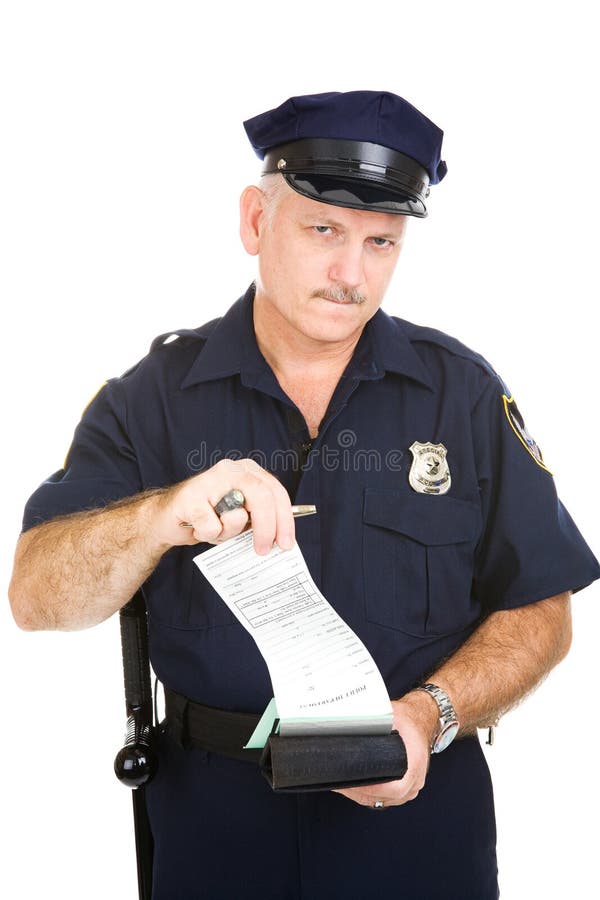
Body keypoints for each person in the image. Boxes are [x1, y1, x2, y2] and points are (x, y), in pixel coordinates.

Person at [9, 90, 599, 900]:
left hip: (417, 825)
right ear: (256, 221)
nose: (351, 274)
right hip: (214, 828)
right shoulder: (151, 400)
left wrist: (431, 715)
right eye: (323, 230)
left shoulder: (460, 396)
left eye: (381, 243)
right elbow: (38, 595)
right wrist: (158, 516)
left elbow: (542, 611)